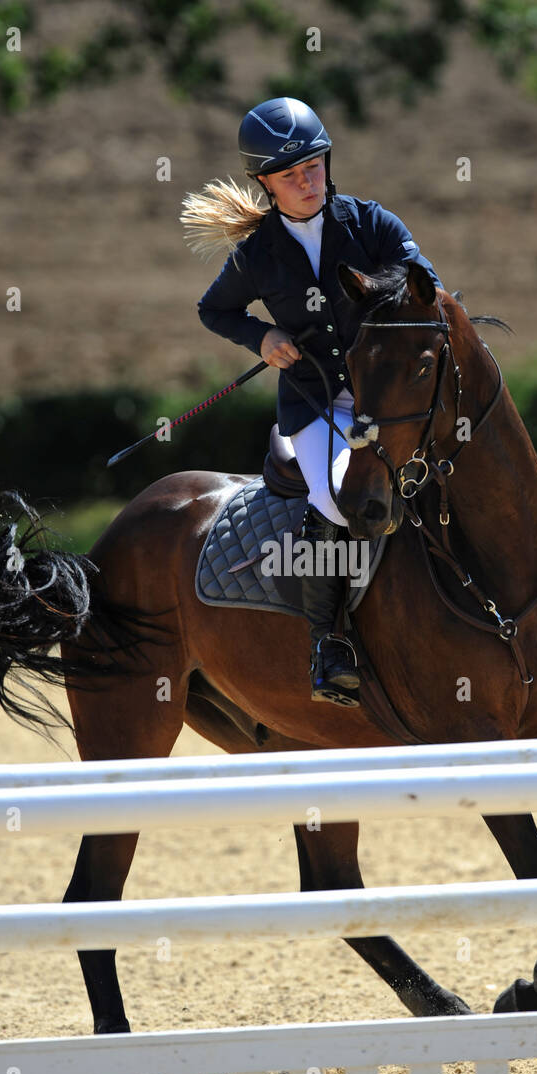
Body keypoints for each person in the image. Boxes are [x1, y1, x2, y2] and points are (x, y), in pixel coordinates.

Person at [183, 96, 442, 707]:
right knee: (336, 496)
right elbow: (212, 309)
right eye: (290, 175)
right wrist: (262, 337)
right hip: (319, 405)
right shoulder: (257, 255)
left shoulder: (371, 224)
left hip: (388, 400)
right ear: (265, 184)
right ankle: (330, 644)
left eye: (314, 167)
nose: (306, 181)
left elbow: (421, 278)